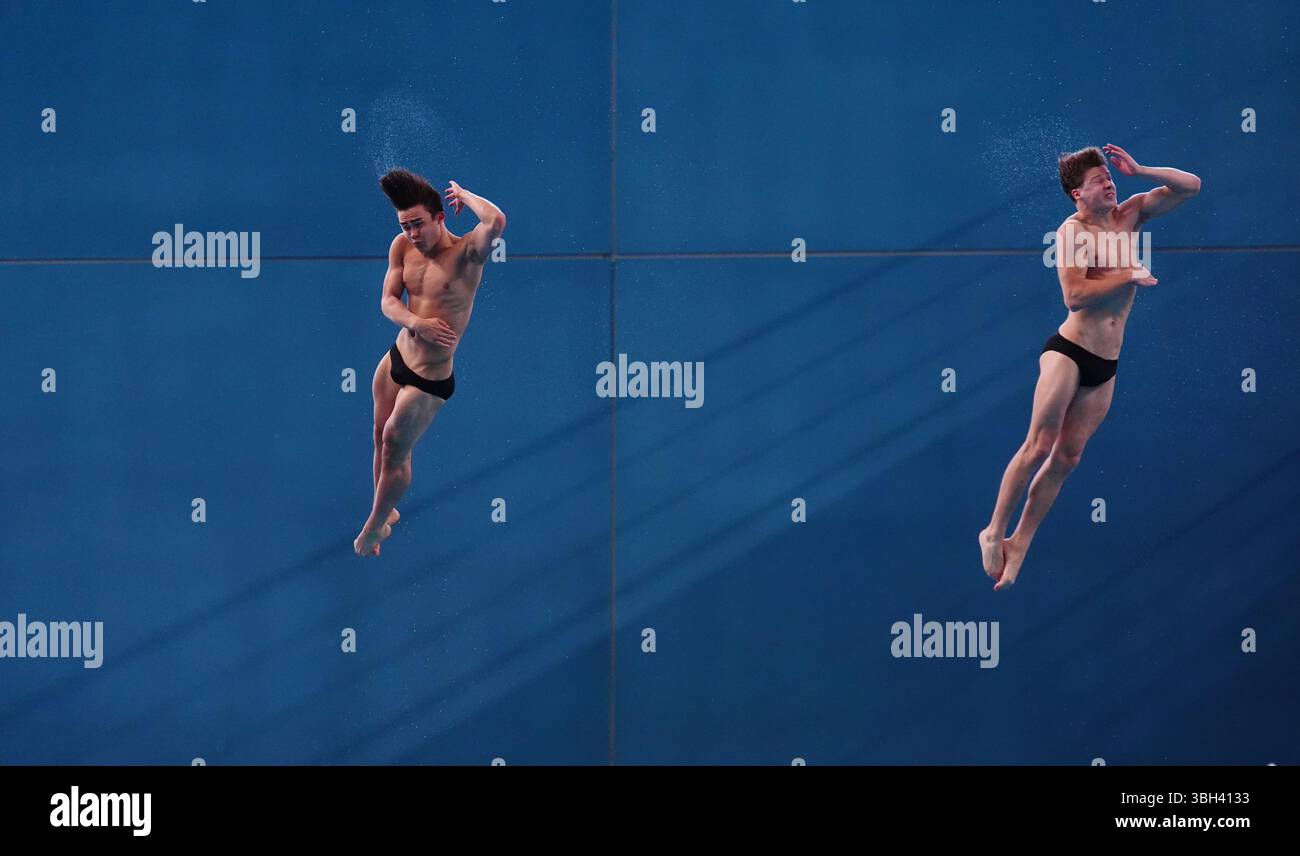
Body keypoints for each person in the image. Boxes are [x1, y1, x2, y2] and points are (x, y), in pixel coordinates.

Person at [979, 144, 1200, 589]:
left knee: (1068, 456)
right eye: (1099, 179)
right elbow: (1075, 295)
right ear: (1078, 193)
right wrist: (1128, 274)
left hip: (1106, 362)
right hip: (1069, 351)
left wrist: (1140, 169)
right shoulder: (1072, 231)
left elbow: (1191, 186)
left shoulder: (1131, 215)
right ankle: (994, 529)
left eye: (1110, 176)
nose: (1109, 182)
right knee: (1040, 445)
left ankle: (1020, 541)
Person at [354, 169, 506, 557]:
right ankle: (384, 512)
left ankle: (375, 524)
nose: (412, 234)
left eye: (419, 224)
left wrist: (465, 193)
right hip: (398, 356)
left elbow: (496, 221)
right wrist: (416, 321)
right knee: (378, 434)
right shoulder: (401, 248)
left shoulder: (468, 254)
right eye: (405, 226)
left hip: (429, 378)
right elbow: (388, 301)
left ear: (440, 217)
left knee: (393, 444)